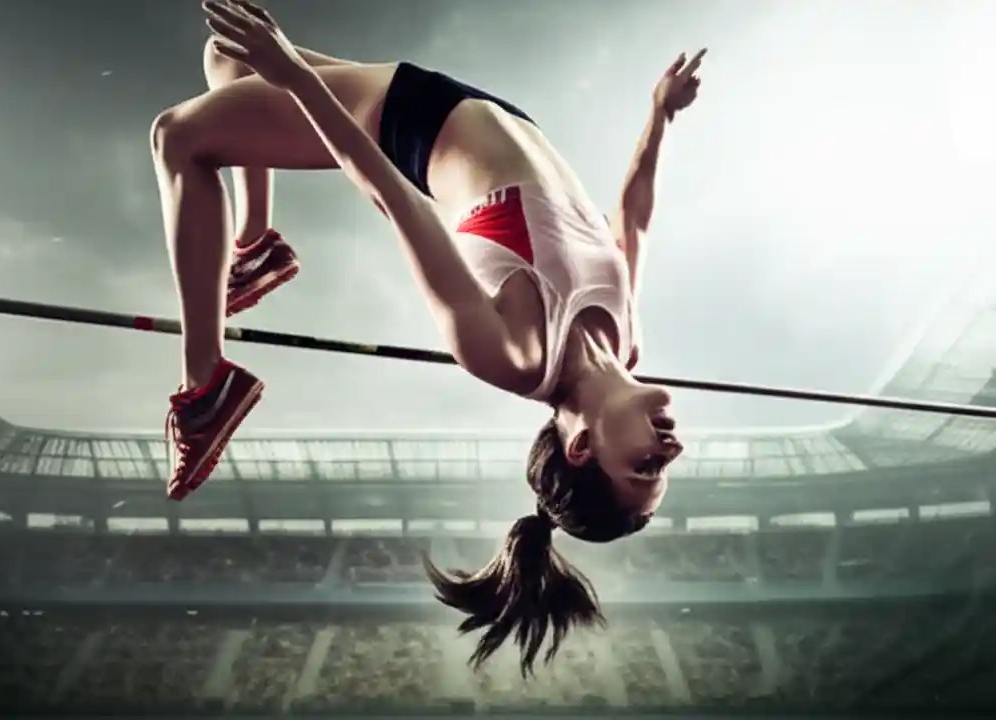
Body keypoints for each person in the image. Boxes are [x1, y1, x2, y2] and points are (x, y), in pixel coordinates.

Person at [154, 0, 701, 674]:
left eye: (646, 465)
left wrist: (297, 76)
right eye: (667, 466)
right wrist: (661, 116)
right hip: (480, 108)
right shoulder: (626, 340)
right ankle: (254, 245)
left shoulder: (512, 355)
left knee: (177, 137)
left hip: (408, 124)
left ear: (582, 444)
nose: (670, 449)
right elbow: (634, 220)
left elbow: (395, 198)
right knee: (228, 61)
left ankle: (204, 387)